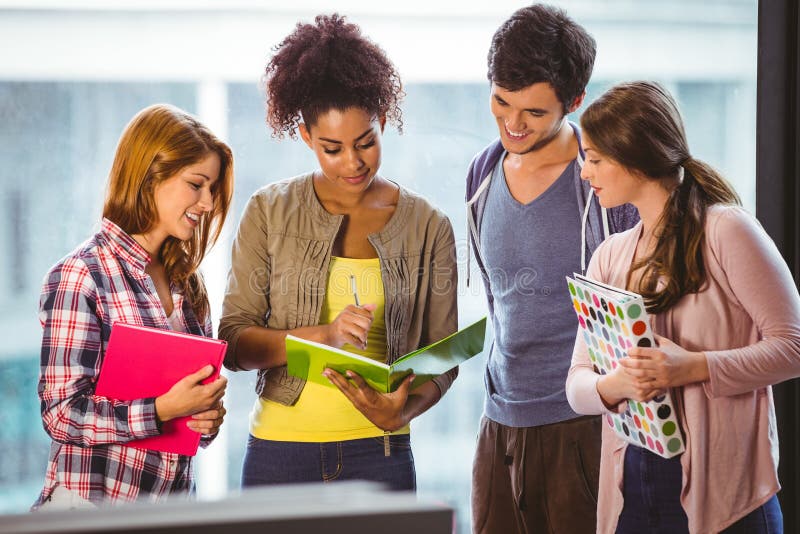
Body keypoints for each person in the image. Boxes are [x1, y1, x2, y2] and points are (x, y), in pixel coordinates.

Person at [218, 14, 458, 492]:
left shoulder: (428, 224)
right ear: (305, 136)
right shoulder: (268, 212)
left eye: (366, 142)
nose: (353, 162)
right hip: (279, 454)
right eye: (332, 148)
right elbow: (232, 344)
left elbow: (444, 355)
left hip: (382, 453)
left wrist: (402, 410)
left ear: (383, 122)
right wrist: (322, 335)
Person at [566, 80, 800, 533]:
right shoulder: (609, 255)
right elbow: (577, 385)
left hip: (728, 502)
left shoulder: (727, 231)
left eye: (594, 159)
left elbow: (794, 346)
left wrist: (690, 367)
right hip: (631, 492)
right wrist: (616, 384)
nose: (584, 172)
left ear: (634, 155)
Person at [465, 4, 640, 533]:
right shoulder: (482, 173)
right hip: (499, 426)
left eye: (534, 113)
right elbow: (501, 301)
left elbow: (638, 306)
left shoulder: (605, 182)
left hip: (584, 427)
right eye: (501, 102)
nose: (512, 125)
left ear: (575, 102)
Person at [33, 104, 233, 510]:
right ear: (149, 178)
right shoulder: (81, 276)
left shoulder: (188, 284)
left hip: (167, 511)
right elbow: (61, 413)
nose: (208, 203)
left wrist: (205, 418)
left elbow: (194, 420)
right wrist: (161, 410)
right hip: (90, 511)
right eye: (197, 185)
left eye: (212, 189)